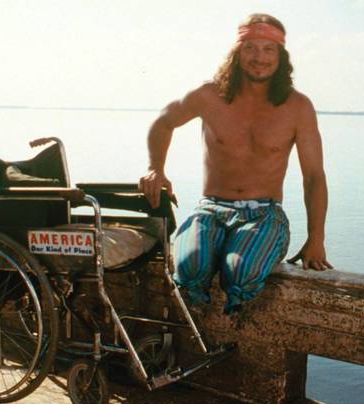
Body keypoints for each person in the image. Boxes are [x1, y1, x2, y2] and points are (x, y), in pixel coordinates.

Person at [139, 13, 332, 315]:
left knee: (241, 274)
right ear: (237, 52)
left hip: (264, 213)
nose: (259, 57)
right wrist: (156, 168)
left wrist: (316, 239)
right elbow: (163, 122)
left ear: (281, 56)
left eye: (268, 49)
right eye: (250, 48)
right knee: (189, 268)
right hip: (211, 208)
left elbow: (314, 177)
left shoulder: (297, 107)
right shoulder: (209, 95)